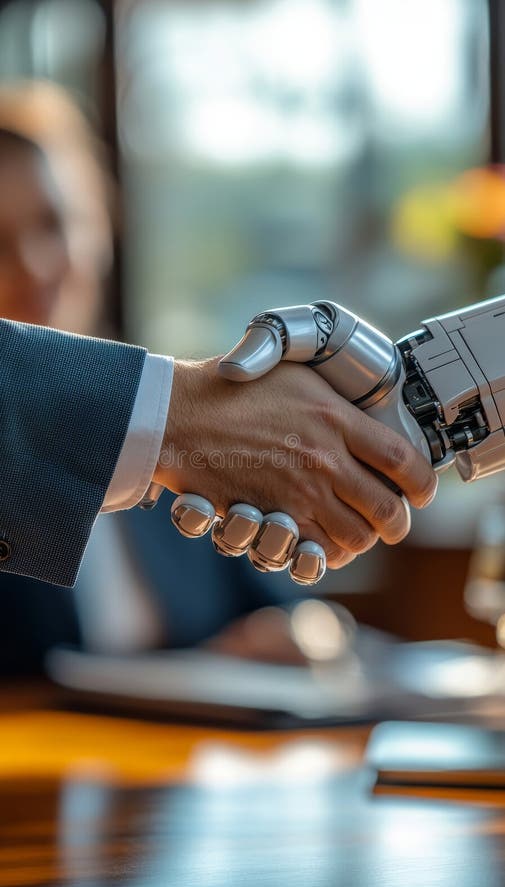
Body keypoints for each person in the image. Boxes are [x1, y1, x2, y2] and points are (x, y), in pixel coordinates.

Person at [0, 84, 436, 659]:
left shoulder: (181, 441)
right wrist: (179, 414)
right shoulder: (171, 423)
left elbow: (286, 611)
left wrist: (303, 634)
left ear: (101, 227)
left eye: (54, 224)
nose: (33, 264)